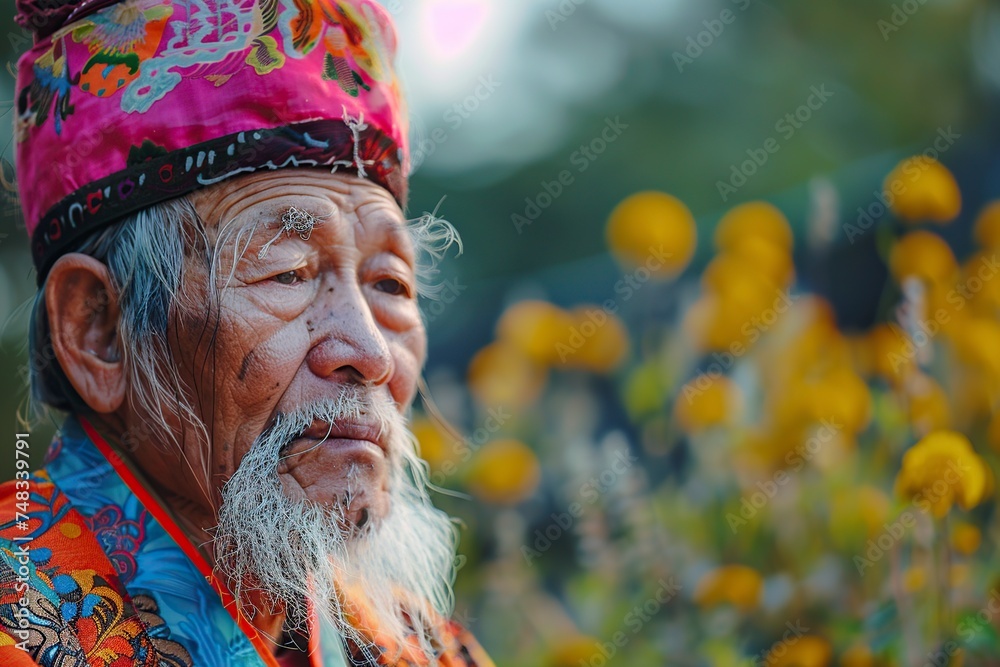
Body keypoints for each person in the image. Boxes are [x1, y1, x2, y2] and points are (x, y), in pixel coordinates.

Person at [0, 0, 493, 664]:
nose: (371, 354)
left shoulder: (423, 650)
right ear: (98, 331)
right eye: (288, 273)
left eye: (389, 285)